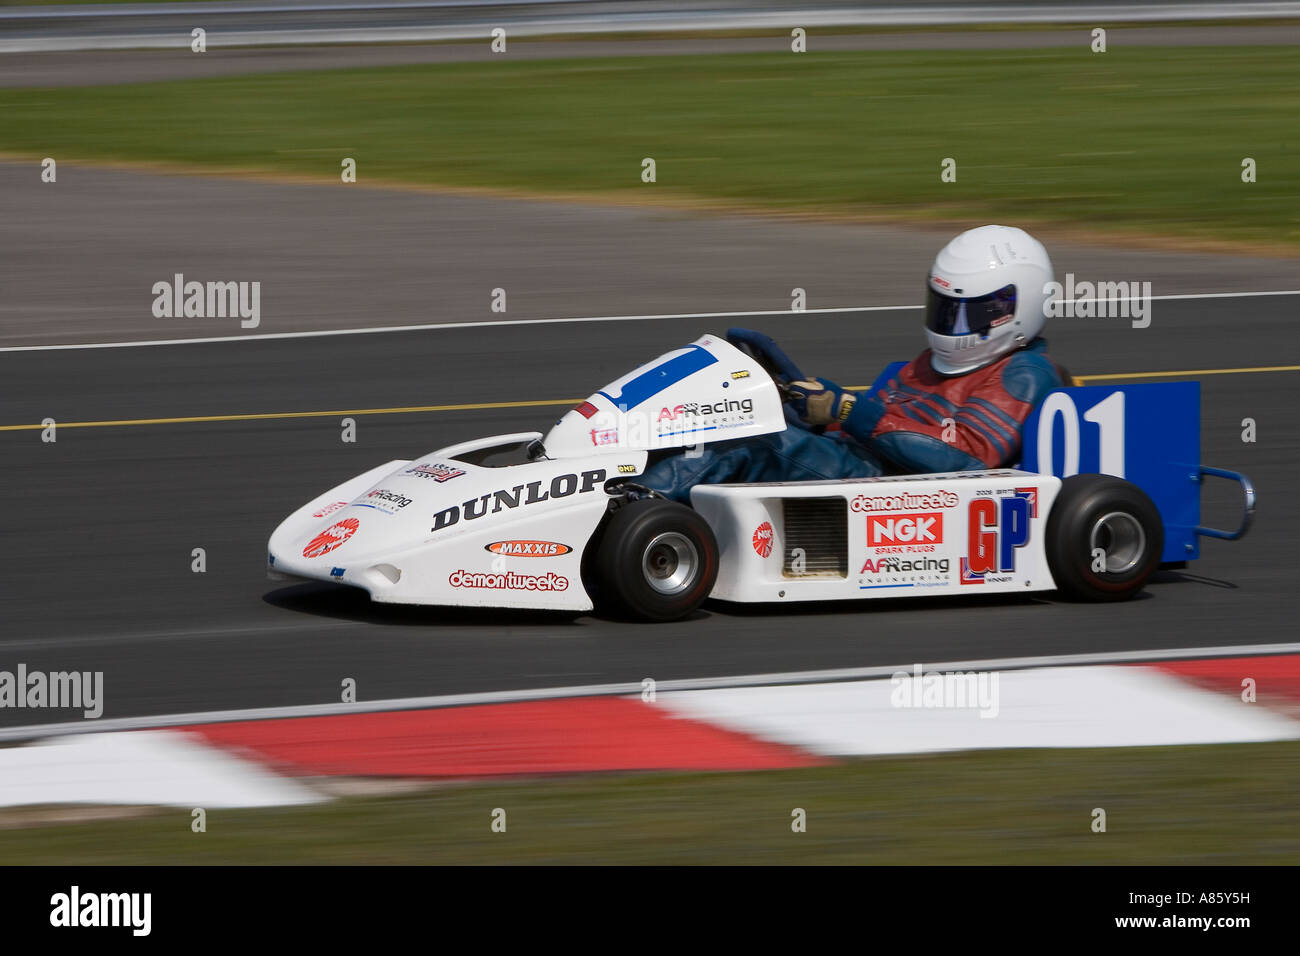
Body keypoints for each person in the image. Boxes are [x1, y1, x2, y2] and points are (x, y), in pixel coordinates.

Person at [641, 224, 1068, 502]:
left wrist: (847, 408)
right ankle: (611, 485)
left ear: (1017, 307)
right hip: (860, 462)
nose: (952, 325)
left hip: (894, 486)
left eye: (967, 312)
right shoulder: (930, 363)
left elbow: (967, 461)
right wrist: (807, 407)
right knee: (717, 417)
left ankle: (631, 510)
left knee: (741, 442)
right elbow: (868, 423)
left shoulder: (1023, 374)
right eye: (945, 309)